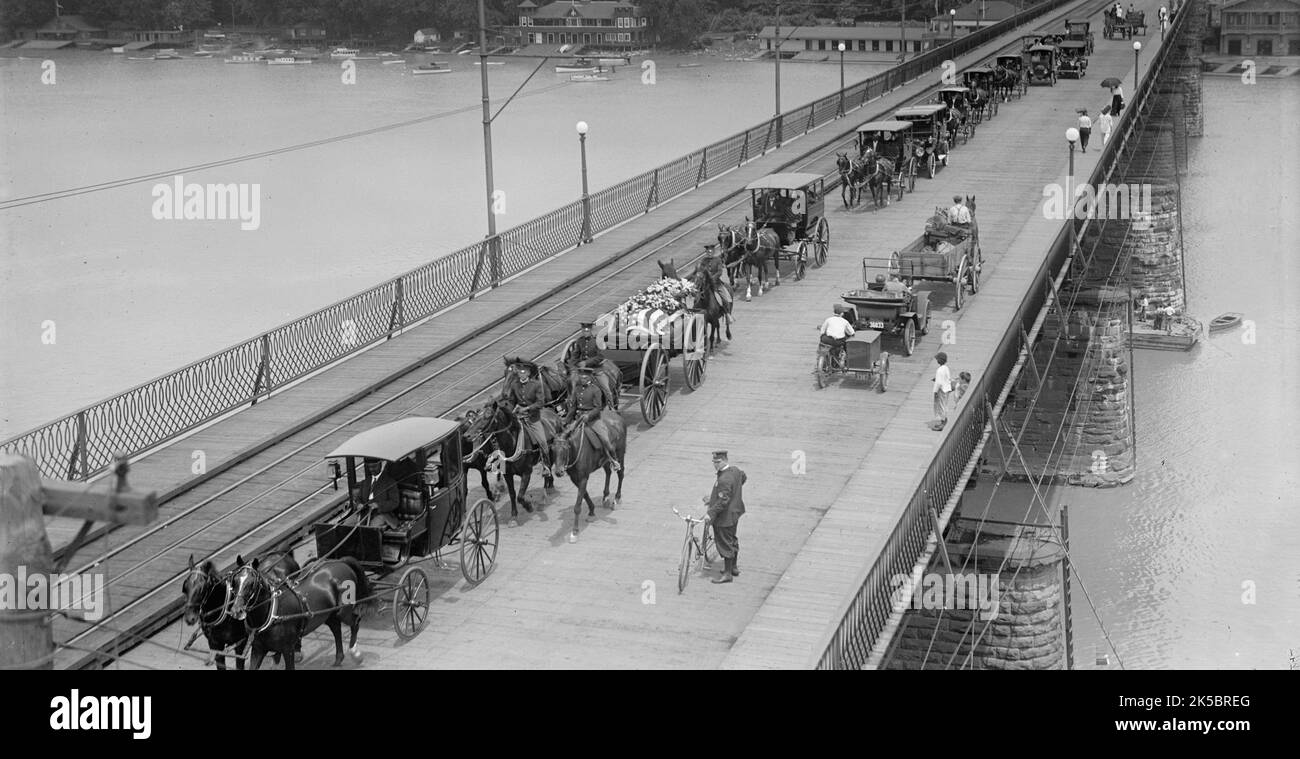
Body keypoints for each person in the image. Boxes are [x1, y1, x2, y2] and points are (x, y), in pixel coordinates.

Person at [702, 451, 746, 584]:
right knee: (732, 538)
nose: (715, 465)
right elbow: (743, 478)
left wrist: (710, 513)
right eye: (714, 462)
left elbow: (723, 501)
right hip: (736, 511)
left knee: (724, 542)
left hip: (725, 516)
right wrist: (735, 491)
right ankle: (733, 567)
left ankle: (727, 574)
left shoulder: (724, 479)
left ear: (723, 461)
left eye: (717, 462)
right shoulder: (735, 471)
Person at [563, 369, 620, 471]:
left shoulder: (595, 390)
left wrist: (588, 416)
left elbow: (598, 408)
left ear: (589, 378)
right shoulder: (577, 389)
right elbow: (573, 408)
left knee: (605, 439)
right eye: (580, 377)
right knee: (563, 438)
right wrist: (567, 421)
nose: (582, 379)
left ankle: (614, 460)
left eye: (584, 378)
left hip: (593, 419)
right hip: (579, 418)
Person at [512, 362, 555, 474]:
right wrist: (514, 407)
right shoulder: (515, 385)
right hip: (517, 418)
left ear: (528, 373)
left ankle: (546, 466)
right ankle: (500, 470)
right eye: (520, 373)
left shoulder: (536, 385)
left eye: (524, 372)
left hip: (532, 419)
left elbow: (540, 403)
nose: (522, 375)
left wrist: (526, 408)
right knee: (502, 441)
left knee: (543, 442)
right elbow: (512, 400)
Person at [571, 322, 616, 405]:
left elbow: (600, 356)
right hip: (582, 371)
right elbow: (575, 354)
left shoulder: (597, 341)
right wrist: (574, 364)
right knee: (572, 386)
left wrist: (586, 362)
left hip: (596, 369)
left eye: (587, 331)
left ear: (591, 331)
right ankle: (572, 405)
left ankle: (611, 407)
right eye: (583, 331)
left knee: (606, 389)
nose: (585, 333)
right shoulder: (580, 341)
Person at [358, 458, 402, 528]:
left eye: (374, 466)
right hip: (364, 514)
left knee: (371, 529)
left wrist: (378, 505)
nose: (371, 469)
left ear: (380, 465)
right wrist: (359, 504)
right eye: (369, 467)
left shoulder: (390, 482)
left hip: (382, 514)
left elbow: (394, 502)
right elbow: (359, 498)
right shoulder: (365, 482)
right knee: (346, 526)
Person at [930, 352, 954, 431]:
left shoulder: (939, 370)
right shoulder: (946, 368)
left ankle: (943, 422)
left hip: (941, 390)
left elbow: (939, 383)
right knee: (944, 404)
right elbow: (947, 378)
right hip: (946, 389)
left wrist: (935, 391)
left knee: (941, 406)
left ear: (939, 360)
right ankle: (944, 420)